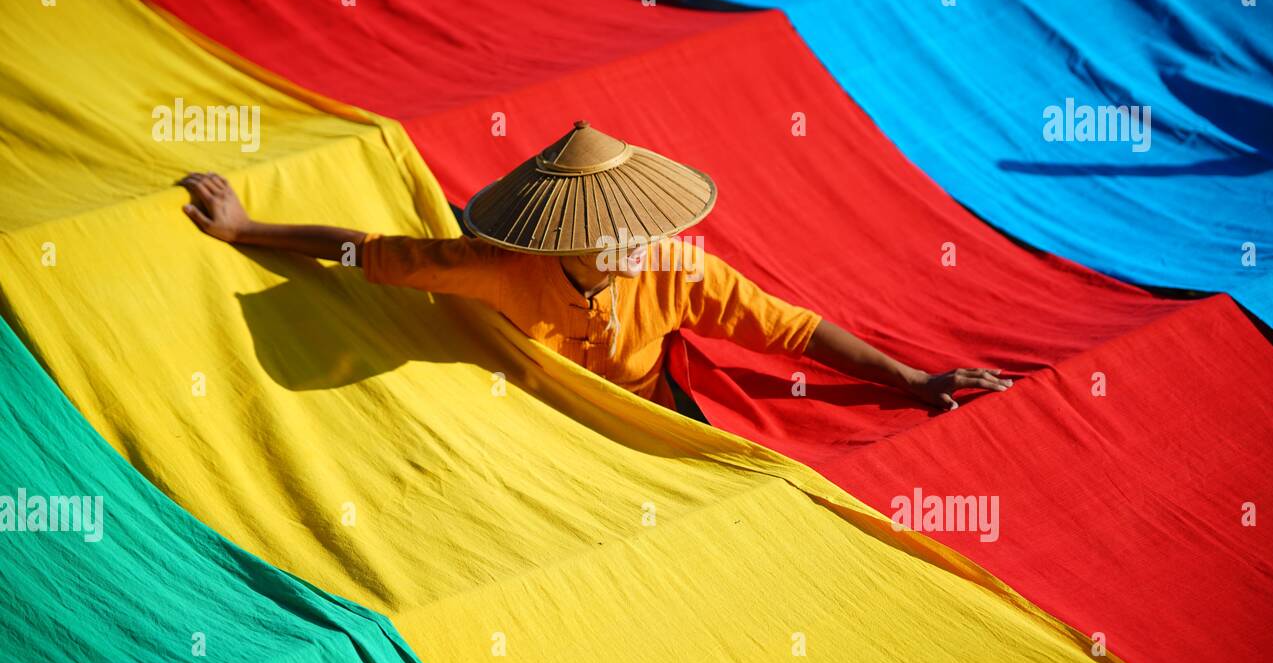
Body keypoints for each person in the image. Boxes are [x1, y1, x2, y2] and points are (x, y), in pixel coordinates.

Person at [181, 120, 1011, 412]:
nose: (629, 246)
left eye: (635, 230)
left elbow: (790, 328)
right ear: (555, 239)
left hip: (653, 421)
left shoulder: (678, 273)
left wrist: (908, 379)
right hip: (549, 430)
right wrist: (250, 229)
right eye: (608, 234)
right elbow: (370, 251)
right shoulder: (497, 267)